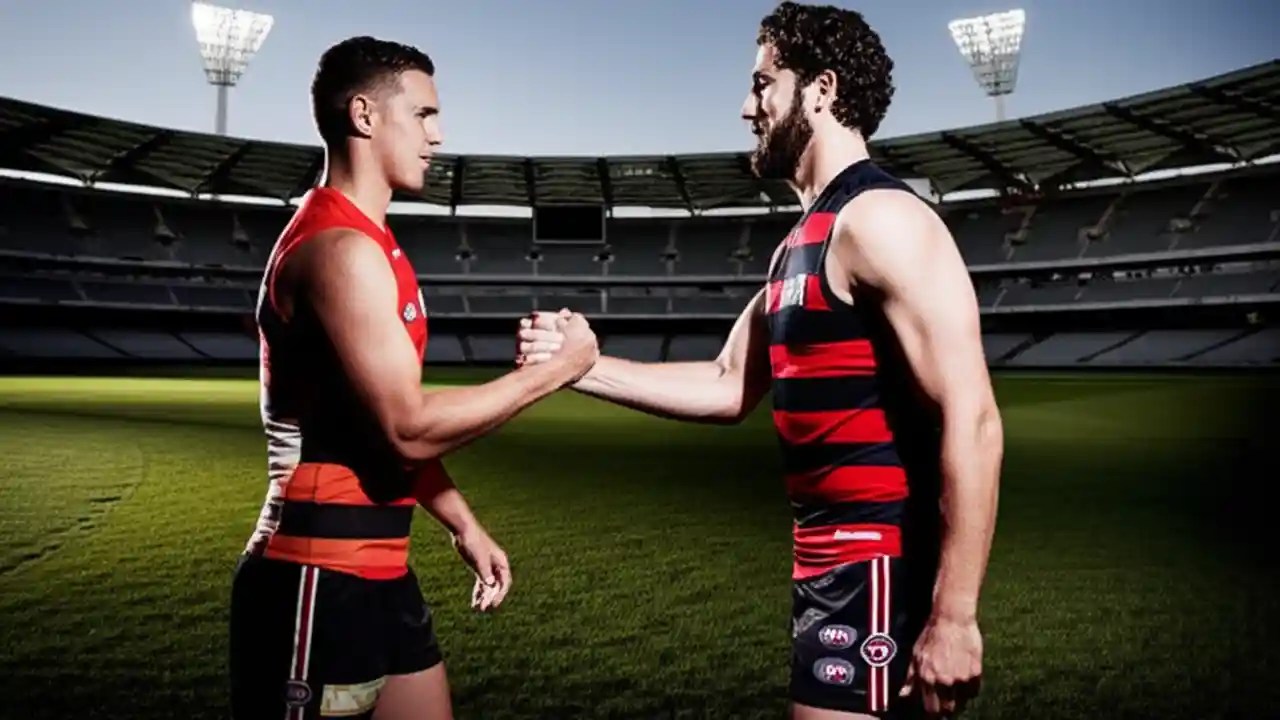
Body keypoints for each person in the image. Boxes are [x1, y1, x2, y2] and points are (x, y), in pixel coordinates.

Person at [517, 3, 1002, 718]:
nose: (747, 108)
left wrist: (955, 617)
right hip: (828, 559)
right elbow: (726, 383)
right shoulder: (802, 241)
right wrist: (579, 366)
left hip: (878, 562)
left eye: (762, 84)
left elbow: (975, 416)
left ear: (822, 90)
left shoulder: (882, 220)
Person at [229, 36, 598, 720]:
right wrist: (559, 371)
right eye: (423, 114)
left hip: (381, 572)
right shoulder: (337, 251)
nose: (439, 135)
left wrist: (464, 526)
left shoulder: (375, 246)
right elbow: (408, 428)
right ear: (365, 116)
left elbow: (377, 431)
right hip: (315, 576)